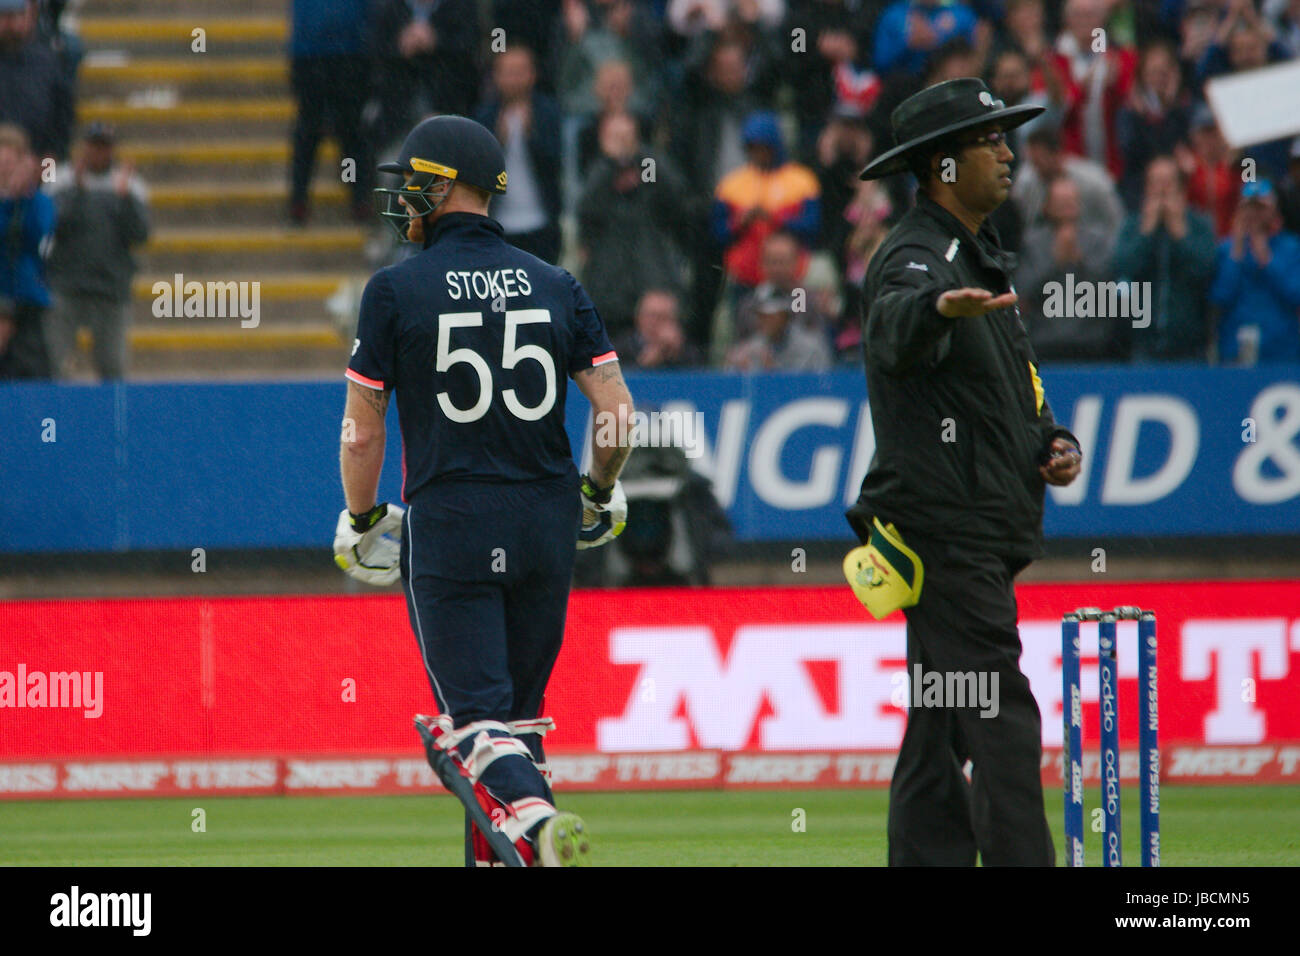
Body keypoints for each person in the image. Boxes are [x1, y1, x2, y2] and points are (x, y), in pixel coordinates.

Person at [334, 115, 635, 866]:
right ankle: (526, 838)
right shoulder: (557, 283)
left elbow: (361, 432)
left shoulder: (394, 290)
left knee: (468, 727)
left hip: (455, 521)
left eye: (411, 183)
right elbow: (618, 414)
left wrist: (364, 515)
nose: (403, 198)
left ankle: (533, 821)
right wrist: (597, 495)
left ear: (444, 186)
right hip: (546, 520)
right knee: (516, 727)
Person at [849, 78, 1082, 866]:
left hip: (969, 527)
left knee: (940, 726)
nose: (1008, 154)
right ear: (944, 167)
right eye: (990, 142)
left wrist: (1049, 442)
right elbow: (890, 331)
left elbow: (1009, 395)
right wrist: (934, 312)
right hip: (950, 536)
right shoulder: (919, 257)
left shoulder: (976, 255)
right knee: (1003, 719)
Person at [45, 122, 150, 380]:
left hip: (110, 287)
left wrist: (124, 200)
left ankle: (112, 419)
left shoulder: (130, 185)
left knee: (112, 366)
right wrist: (77, 193)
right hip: (66, 284)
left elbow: (140, 234)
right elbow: (50, 226)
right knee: (54, 364)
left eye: (104, 147)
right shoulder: (61, 179)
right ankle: (55, 418)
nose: (98, 153)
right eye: (94, 146)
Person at [1111, 155, 1217, 361]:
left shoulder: (1199, 225)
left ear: (1180, 188)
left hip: (1191, 346)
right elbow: (1123, 268)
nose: (1161, 190)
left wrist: (1180, 235)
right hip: (1143, 344)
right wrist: (1146, 233)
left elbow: (1206, 269)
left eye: (1167, 183)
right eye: (1155, 183)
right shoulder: (1133, 226)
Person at [1210, 179, 1300, 364]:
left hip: (1281, 351)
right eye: (1250, 208)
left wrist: (1267, 260)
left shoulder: (1291, 247)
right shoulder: (1226, 249)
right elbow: (1219, 297)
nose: (1255, 214)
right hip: (1235, 349)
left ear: (1274, 210)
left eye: (1261, 208)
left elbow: (1295, 294)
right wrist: (1237, 251)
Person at [0, 122, 53, 380]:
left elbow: (39, 237)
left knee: (31, 375)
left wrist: (23, 198)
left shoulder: (38, 201)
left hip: (26, 300)